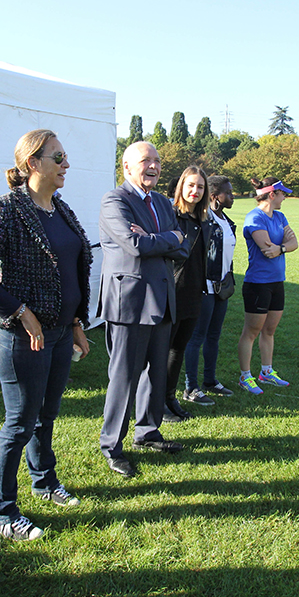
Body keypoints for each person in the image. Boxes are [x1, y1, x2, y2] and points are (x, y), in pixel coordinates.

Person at [0, 129, 92, 542]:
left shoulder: (61, 208)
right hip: (21, 338)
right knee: (19, 423)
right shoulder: (6, 209)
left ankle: (44, 482)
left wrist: (76, 322)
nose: (66, 165)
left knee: (47, 416)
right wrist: (20, 312)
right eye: (58, 157)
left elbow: (73, 271)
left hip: (59, 333)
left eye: (65, 156)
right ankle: (2, 513)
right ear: (31, 164)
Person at [97, 141, 189, 477]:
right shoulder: (115, 200)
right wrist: (168, 238)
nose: (153, 166)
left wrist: (162, 238)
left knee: (156, 372)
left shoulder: (163, 202)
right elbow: (134, 245)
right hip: (130, 304)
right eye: (145, 160)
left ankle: (147, 432)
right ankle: (112, 446)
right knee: (125, 376)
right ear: (126, 167)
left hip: (163, 299)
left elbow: (184, 247)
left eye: (157, 160)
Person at [237, 177, 298, 395]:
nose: (285, 198)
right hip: (258, 283)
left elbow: (293, 244)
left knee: (270, 330)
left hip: (277, 282)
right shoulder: (254, 217)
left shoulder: (280, 216)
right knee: (251, 331)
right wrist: (284, 246)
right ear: (272, 194)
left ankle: (266, 371)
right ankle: (245, 376)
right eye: (283, 194)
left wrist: (281, 248)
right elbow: (267, 249)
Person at [164, 166, 211, 421]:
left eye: (200, 187)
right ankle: (155, 403)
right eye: (191, 185)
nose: (195, 191)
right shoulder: (170, 215)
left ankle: (170, 398)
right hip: (170, 292)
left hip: (194, 292)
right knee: (162, 351)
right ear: (181, 186)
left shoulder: (203, 221)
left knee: (178, 349)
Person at [183, 175, 236, 400]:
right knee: (197, 337)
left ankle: (210, 380)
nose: (232, 196)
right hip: (204, 288)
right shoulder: (203, 220)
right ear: (214, 196)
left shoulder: (227, 221)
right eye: (229, 193)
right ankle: (190, 387)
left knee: (214, 336)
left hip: (222, 288)